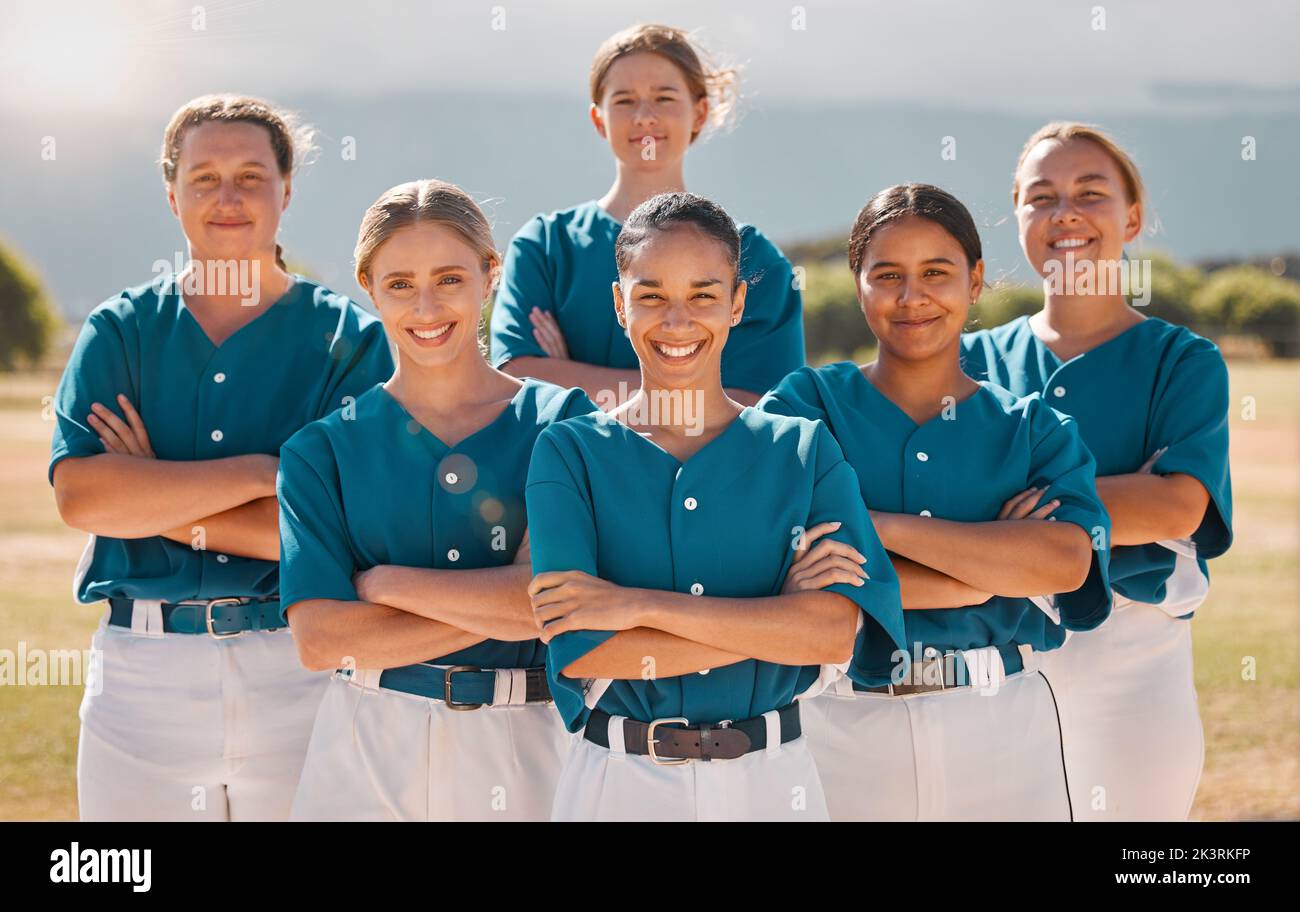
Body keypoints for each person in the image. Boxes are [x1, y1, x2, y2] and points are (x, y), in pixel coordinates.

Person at [48, 94, 394, 821]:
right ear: (171, 193)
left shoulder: (349, 341)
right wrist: (265, 474)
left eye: (250, 175)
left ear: (287, 189)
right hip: (142, 673)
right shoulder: (121, 330)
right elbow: (84, 499)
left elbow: (341, 537)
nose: (227, 197)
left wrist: (150, 495)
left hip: (297, 662)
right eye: (204, 177)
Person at [524, 192, 905, 821]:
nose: (678, 321)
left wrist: (639, 607)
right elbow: (587, 650)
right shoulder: (569, 453)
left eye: (704, 294)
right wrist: (776, 618)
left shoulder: (803, 448)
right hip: (620, 786)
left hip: (774, 785)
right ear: (620, 306)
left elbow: (833, 632)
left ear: (737, 305)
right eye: (650, 296)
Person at [761, 183, 1112, 820]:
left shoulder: (1029, 425)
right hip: (838, 721)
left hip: (1000, 722)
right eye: (887, 274)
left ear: (975, 280)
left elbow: (1065, 563)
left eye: (936, 273)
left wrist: (868, 527)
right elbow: (772, 563)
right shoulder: (805, 407)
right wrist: (979, 571)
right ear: (858, 283)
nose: (911, 296)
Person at [278, 180, 596, 821]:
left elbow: (563, 605)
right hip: (366, 742)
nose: (426, 307)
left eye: (450, 278)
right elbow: (322, 641)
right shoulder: (321, 450)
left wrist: (385, 584)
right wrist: (512, 601)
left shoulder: (563, 422)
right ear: (367, 285)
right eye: (399, 284)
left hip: (527, 740)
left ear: (490, 273)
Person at [960, 122, 1233, 820]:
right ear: (1016, 215)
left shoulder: (1181, 359)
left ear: (1132, 217)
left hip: (1133, 659)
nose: (1065, 213)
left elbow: (1178, 509)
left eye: (1090, 192)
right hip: (995, 656)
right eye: (1041, 196)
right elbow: (941, 506)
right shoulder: (969, 364)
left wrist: (1018, 506)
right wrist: (1112, 497)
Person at [490, 23, 804, 407]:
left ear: (700, 112)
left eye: (664, 98)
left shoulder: (754, 258)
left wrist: (566, 379)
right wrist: (691, 382)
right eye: (624, 100)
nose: (644, 116)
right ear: (599, 119)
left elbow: (760, 405)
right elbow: (517, 381)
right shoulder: (544, 247)